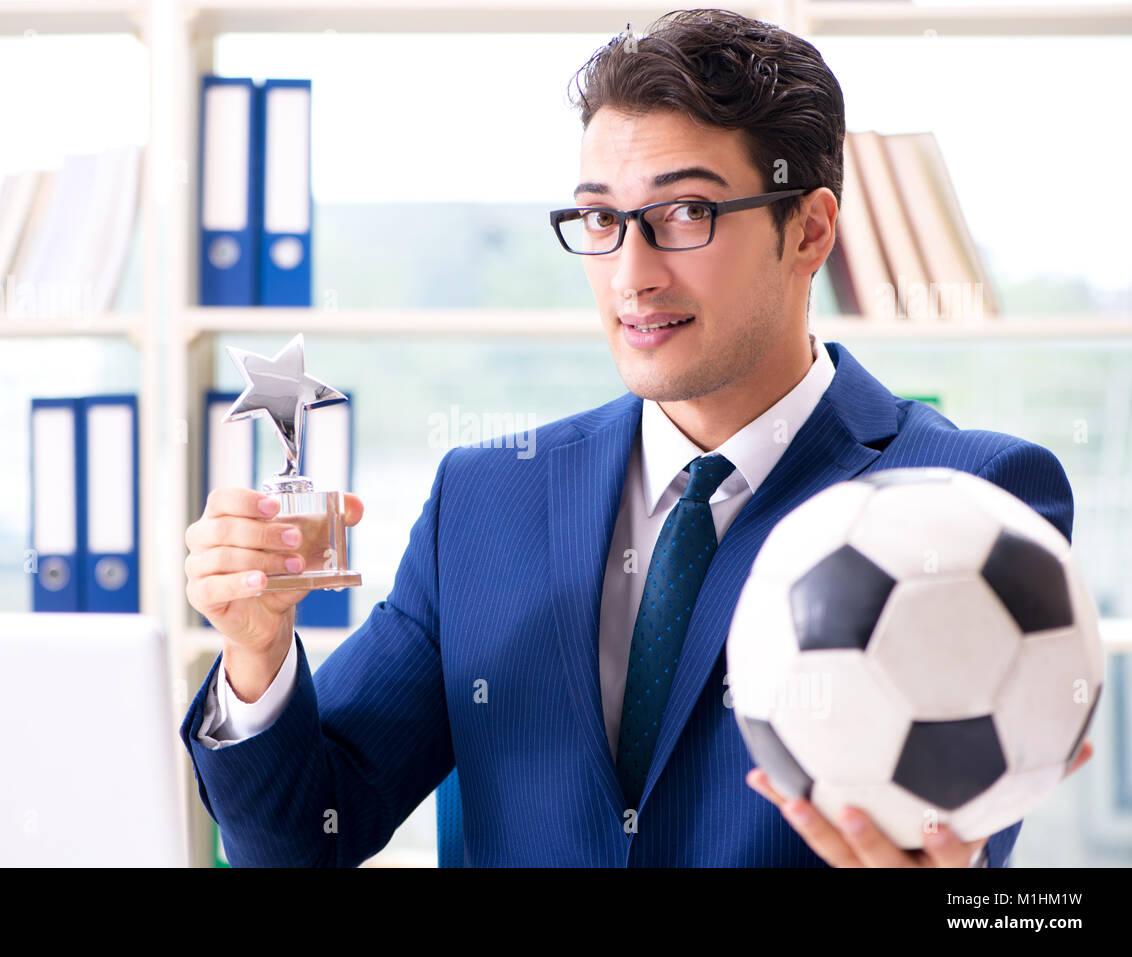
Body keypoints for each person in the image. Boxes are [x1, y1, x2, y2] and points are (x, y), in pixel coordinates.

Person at [179, 8, 1093, 867]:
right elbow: (302, 835)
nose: (631, 273)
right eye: (602, 219)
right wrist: (255, 656)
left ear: (808, 230)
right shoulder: (487, 499)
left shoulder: (966, 494)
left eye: (686, 213)